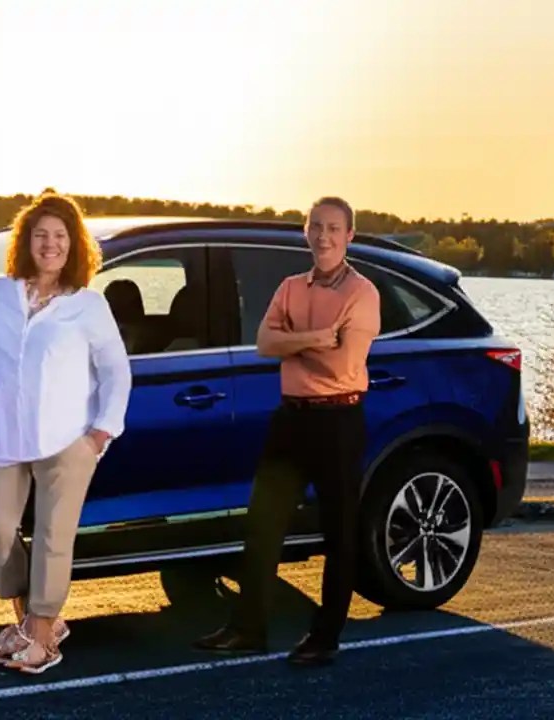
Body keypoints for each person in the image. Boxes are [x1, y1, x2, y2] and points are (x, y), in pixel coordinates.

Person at [0, 192, 132, 674]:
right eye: (41, 235)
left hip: (67, 439)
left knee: (53, 538)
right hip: (3, 437)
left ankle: (42, 638)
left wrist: (99, 435)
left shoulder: (87, 306)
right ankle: (33, 621)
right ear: (25, 242)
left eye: (60, 237)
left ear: (74, 247)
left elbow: (117, 371)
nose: (50, 245)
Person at [193, 196, 380, 666]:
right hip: (291, 418)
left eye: (334, 228)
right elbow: (263, 343)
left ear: (349, 235)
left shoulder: (362, 293)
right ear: (306, 230)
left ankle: (325, 637)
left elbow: (343, 363)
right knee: (262, 527)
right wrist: (315, 338)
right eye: (316, 226)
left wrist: (290, 344)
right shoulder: (291, 286)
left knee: (339, 535)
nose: (323, 236)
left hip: (338, 420)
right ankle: (248, 629)